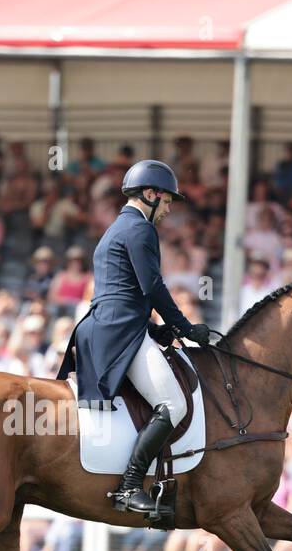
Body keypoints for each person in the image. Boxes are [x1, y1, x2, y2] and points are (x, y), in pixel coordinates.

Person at [57, 159, 209, 515]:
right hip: (117, 332)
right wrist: (185, 327)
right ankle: (128, 486)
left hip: (110, 326)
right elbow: (151, 286)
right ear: (151, 194)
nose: (169, 209)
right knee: (175, 405)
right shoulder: (140, 229)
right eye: (168, 200)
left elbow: (124, 293)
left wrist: (158, 330)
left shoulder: (117, 227)